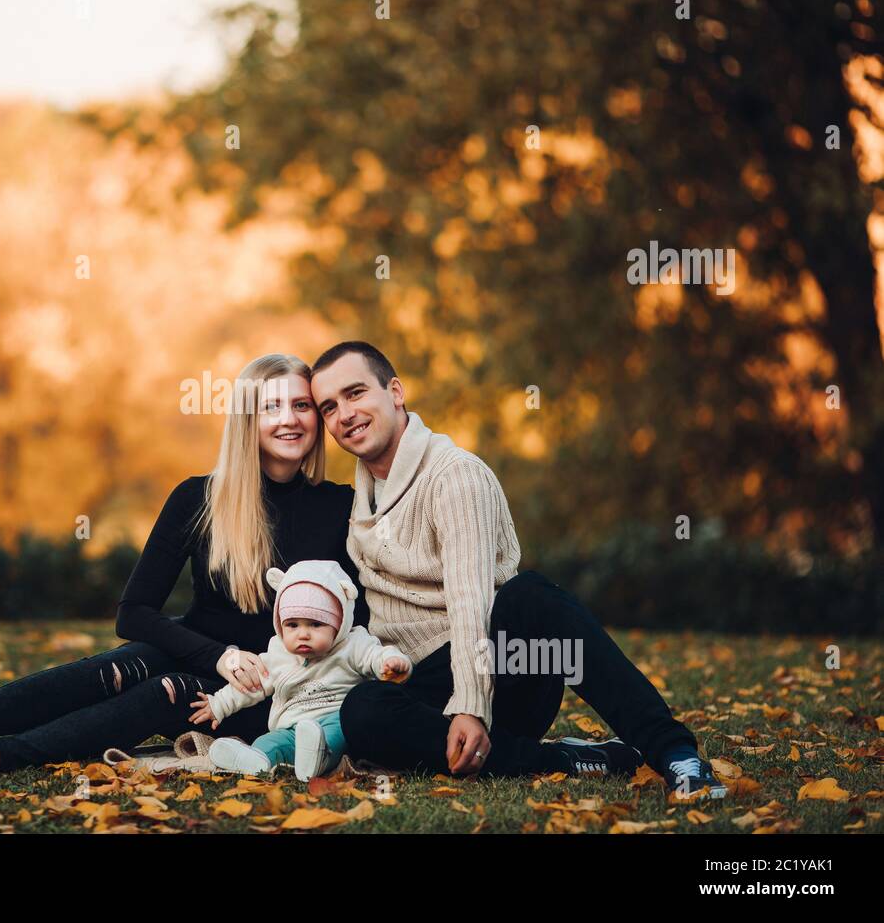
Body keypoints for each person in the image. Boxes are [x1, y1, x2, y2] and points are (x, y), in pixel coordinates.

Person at [0, 353, 367, 782]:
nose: (289, 418)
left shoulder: (341, 507)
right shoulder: (199, 498)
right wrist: (220, 654)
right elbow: (133, 612)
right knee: (114, 669)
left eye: (301, 405)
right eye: (270, 405)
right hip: (200, 649)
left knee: (168, 693)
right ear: (247, 418)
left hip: (269, 688)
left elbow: (354, 617)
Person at [309, 341, 727, 801]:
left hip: (500, 669)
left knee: (530, 595)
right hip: (421, 687)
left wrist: (471, 706)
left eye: (355, 394)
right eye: (329, 407)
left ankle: (676, 754)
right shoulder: (358, 505)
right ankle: (562, 759)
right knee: (363, 710)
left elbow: (471, 602)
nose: (344, 414)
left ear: (395, 391)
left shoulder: (455, 476)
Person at [188, 559, 411, 781]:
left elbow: (376, 655)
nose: (303, 634)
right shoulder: (278, 655)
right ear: (280, 624)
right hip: (291, 728)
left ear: (340, 623)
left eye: (316, 624)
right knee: (269, 741)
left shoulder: (352, 645)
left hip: (335, 720)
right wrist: (219, 704)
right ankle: (256, 759)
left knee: (337, 731)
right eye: (293, 625)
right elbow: (252, 683)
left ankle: (320, 757)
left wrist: (391, 661)